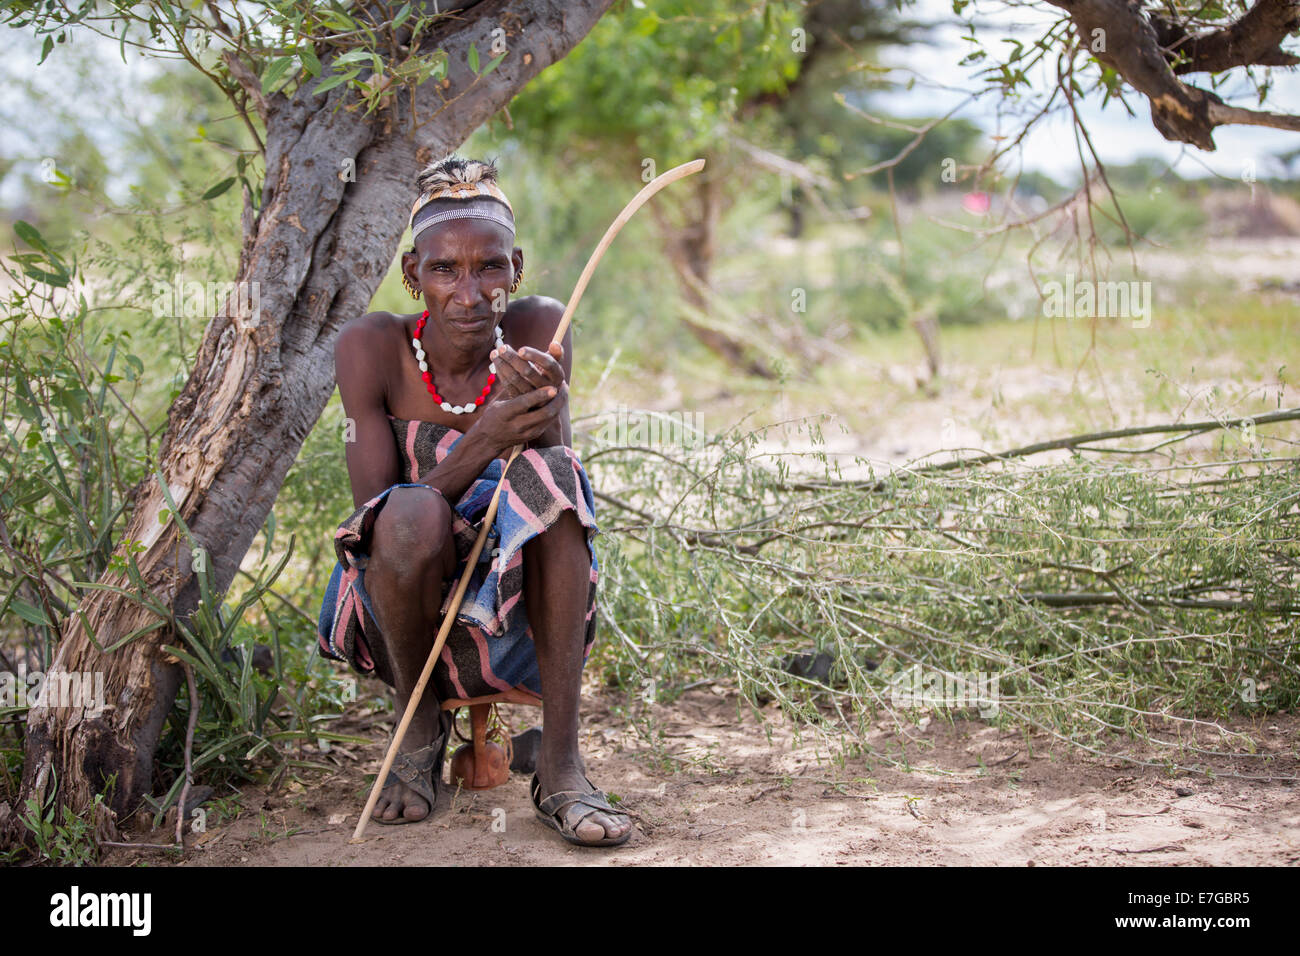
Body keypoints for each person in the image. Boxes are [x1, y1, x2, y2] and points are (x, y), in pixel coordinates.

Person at [315, 155, 631, 847]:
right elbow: (377, 519)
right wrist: (482, 438)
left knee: (555, 477)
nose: (470, 292)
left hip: (515, 590)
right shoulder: (371, 346)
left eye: (489, 267)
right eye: (444, 269)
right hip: (404, 595)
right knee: (412, 512)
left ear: (515, 268)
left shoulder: (540, 326)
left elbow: (557, 484)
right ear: (411, 274)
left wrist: (539, 407)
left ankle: (561, 764)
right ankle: (419, 727)